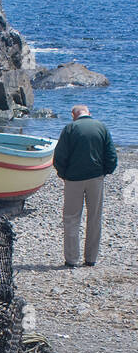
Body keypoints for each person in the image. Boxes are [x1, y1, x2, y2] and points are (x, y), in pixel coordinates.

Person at [52, 104, 117, 268]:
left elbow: (59, 156)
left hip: (73, 179)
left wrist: (63, 174)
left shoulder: (70, 129)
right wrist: (106, 171)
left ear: (73, 115)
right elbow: (111, 155)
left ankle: (72, 259)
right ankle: (91, 258)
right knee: (95, 218)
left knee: (71, 218)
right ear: (89, 113)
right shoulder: (101, 127)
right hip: (96, 177)